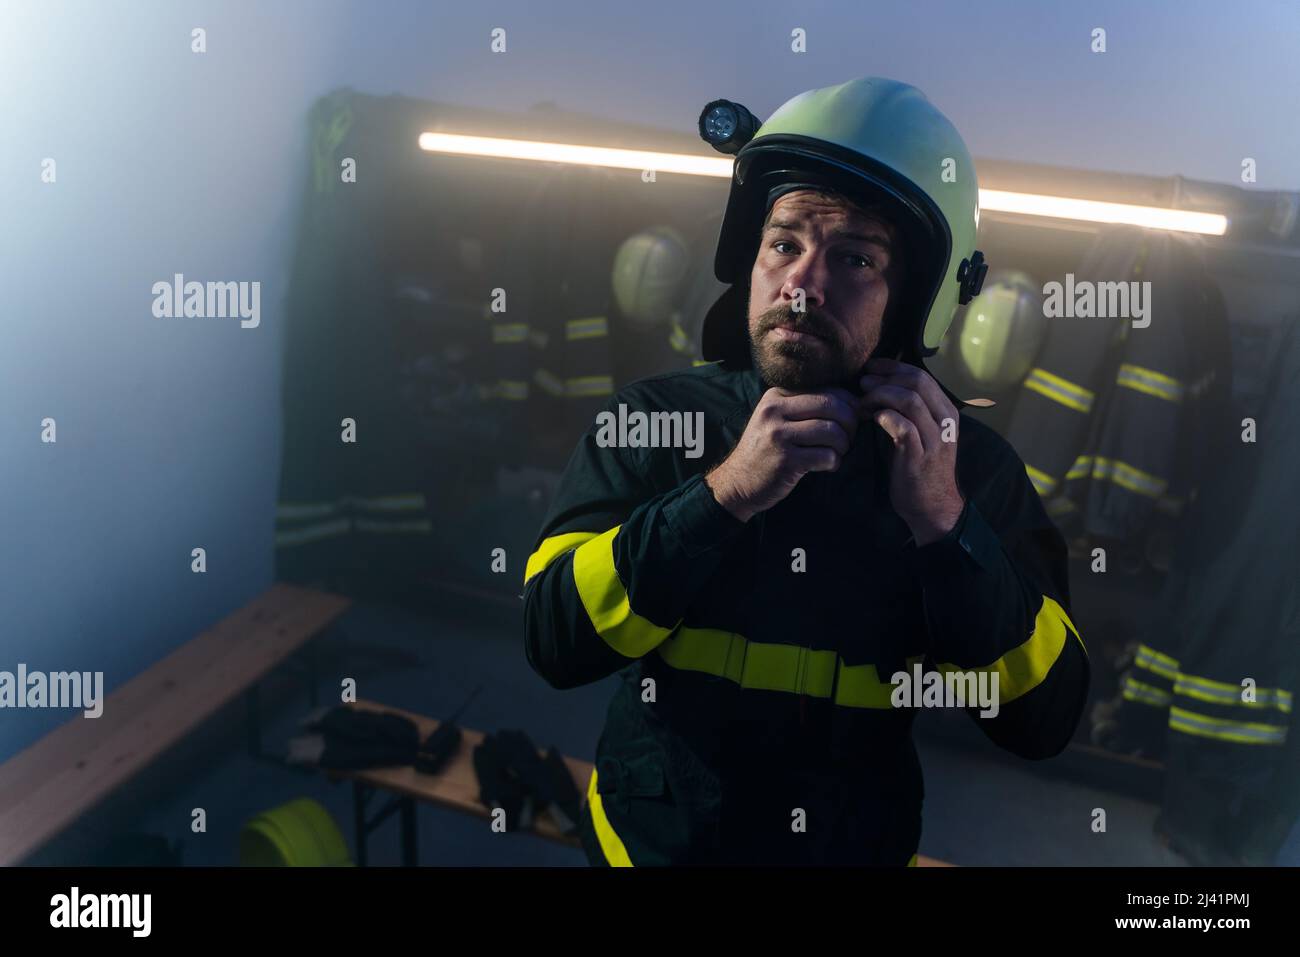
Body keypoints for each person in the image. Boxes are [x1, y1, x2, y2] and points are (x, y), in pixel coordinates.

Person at [523, 76, 1090, 865]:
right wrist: (719, 497)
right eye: (785, 242)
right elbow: (553, 638)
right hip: (647, 848)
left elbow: (1046, 718)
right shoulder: (653, 420)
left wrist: (946, 527)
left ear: (916, 299)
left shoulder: (965, 469)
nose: (802, 283)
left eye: (854, 257)